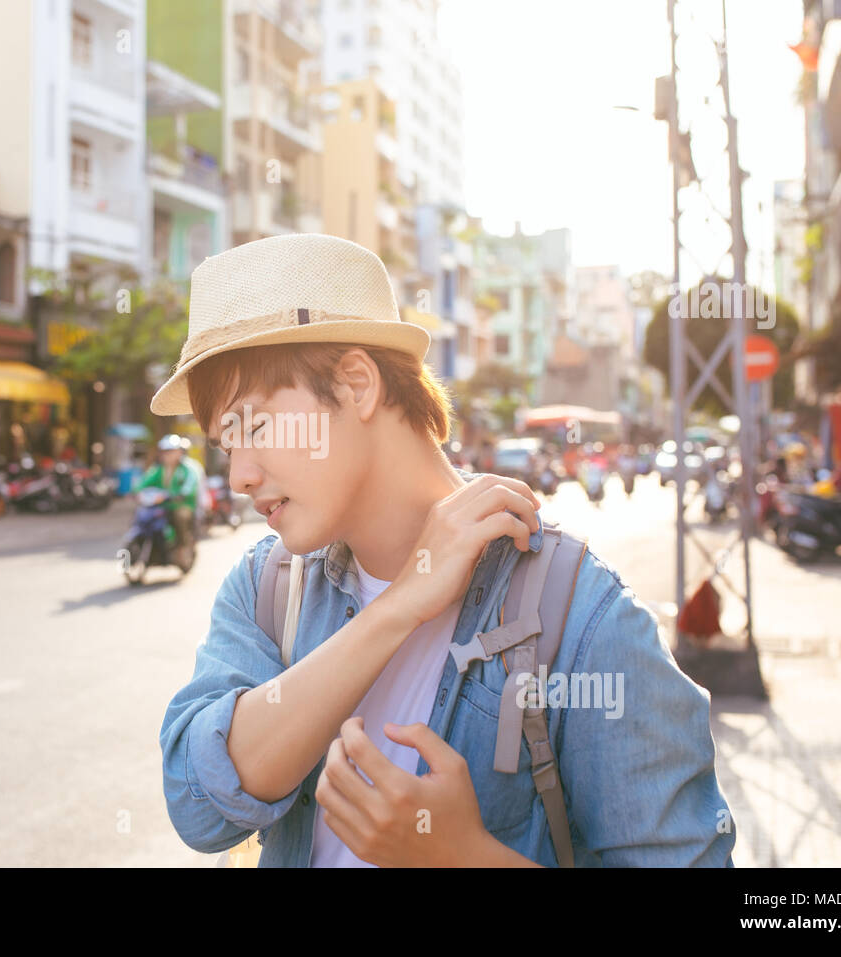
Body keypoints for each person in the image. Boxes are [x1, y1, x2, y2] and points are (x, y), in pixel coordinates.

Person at [153, 233, 734, 867]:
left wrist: (463, 857)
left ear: (355, 384)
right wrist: (398, 607)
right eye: (224, 445)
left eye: (255, 426)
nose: (236, 475)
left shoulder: (584, 619)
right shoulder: (268, 588)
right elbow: (199, 808)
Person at [133, 434, 200, 567]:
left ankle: (182, 548)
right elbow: (144, 482)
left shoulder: (187, 469)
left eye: (170, 451)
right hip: (161, 505)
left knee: (180, 516)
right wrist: (137, 491)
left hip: (181, 505)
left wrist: (181, 493)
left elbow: (190, 485)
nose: (166, 455)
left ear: (179, 452)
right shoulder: (158, 469)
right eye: (164, 452)